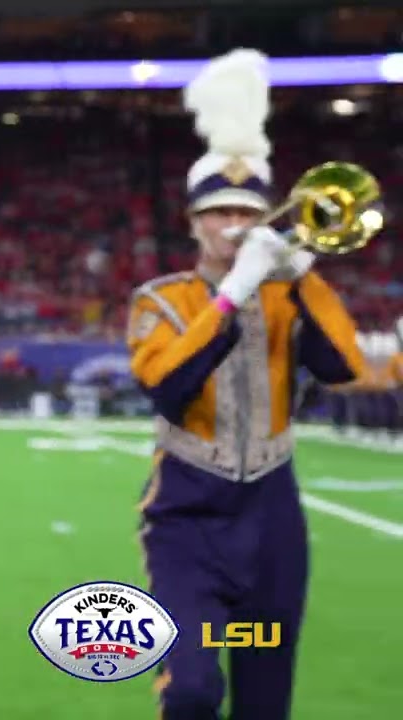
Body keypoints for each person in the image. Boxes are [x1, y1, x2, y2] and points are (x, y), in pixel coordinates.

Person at [128, 49, 368, 720]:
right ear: (192, 221)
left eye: (245, 212)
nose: (232, 227)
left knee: (265, 696)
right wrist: (233, 293)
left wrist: (302, 276)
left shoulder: (293, 292)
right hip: (187, 519)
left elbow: (343, 366)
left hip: (271, 522)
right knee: (194, 686)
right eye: (217, 212)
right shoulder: (161, 299)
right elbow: (169, 385)